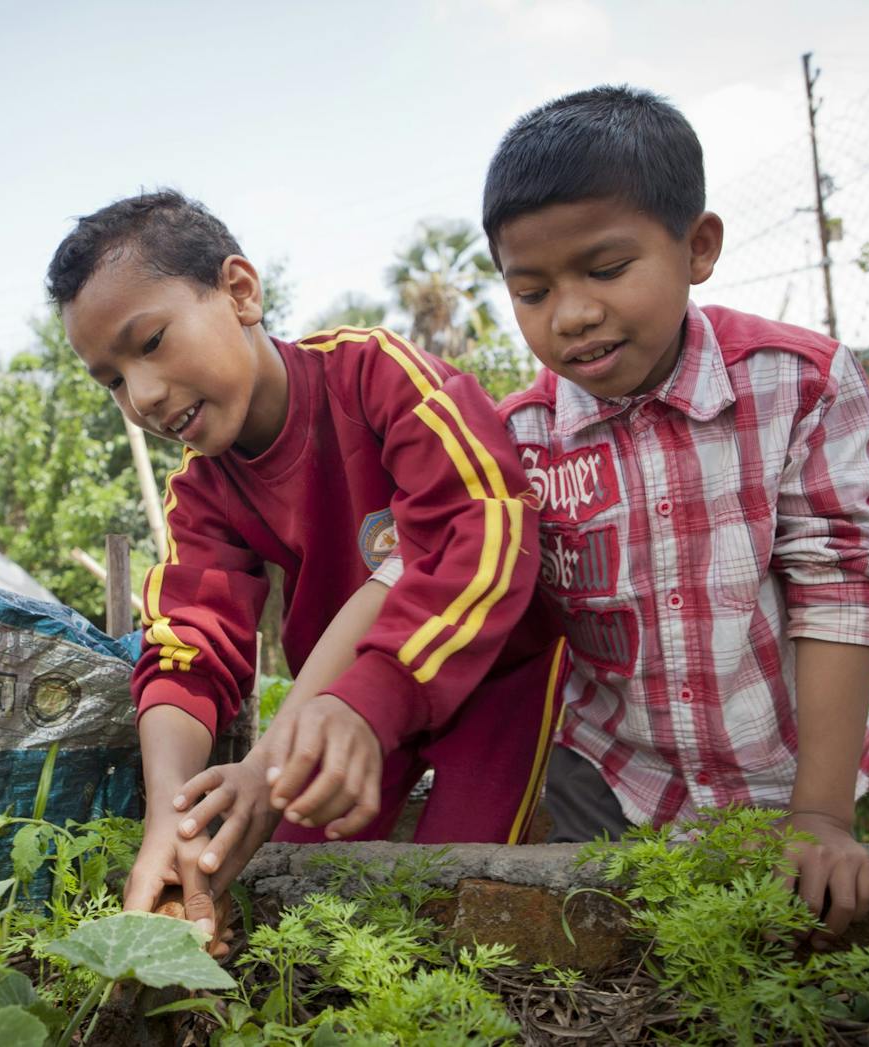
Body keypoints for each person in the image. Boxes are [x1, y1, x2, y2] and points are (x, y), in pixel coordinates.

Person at [46, 190, 563, 938]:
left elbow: (485, 528)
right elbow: (187, 645)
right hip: (338, 703)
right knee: (288, 897)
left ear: (241, 292)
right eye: (114, 381)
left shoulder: (376, 377)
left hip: (488, 678)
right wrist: (171, 820)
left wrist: (356, 706)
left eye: (152, 342)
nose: (145, 395)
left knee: (463, 895)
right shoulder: (203, 487)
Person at [485, 85, 869, 947]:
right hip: (611, 773)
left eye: (606, 270)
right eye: (531, 292)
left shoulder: (801, 384)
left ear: (698, 247)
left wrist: (822, 815)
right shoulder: (518, 439)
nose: (572, 314)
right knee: (614, 960)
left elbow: (835, 589)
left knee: (806, 947)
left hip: (787, 759)